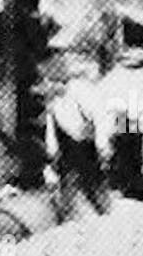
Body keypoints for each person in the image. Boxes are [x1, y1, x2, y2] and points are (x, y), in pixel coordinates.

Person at [45, 73, 114, 220]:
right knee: (68, 179)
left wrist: (101, 143)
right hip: (68, 143)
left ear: (63, 82)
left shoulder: (79, 92)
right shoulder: (53, 100)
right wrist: (52, 149)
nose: (51, 86)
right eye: (49, 82)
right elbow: (51, 126)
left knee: (94, 179)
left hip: (87, 141)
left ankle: (106, 212)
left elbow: (99, 116)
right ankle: (67, 216)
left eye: (54, 82)